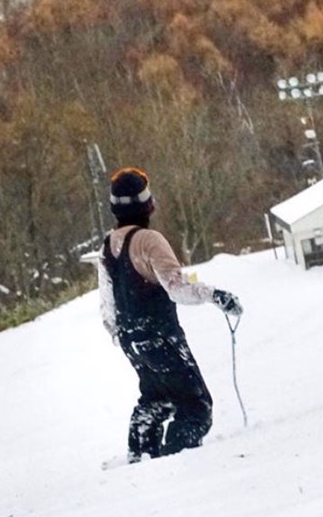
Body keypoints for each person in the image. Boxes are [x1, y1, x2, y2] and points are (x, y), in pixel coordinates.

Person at [98, 166, 242, 462]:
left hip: (130, 339)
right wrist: (215, 295)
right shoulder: (149, 240)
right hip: (160, 336)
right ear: (147, 204)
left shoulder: (107, 247)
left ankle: (139, 458)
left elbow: (107, 307)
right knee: (195, 407)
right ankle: (175, 465)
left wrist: (123, 336)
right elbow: (177, 289)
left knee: (156, 399)